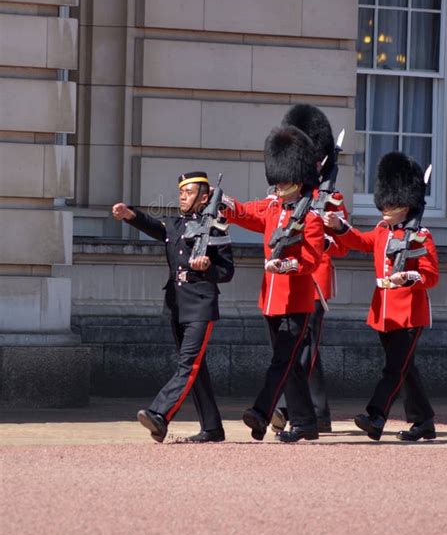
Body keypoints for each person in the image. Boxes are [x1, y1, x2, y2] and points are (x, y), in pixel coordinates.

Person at [112, 172, 234, 443]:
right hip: (177, 304)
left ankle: (159, 413)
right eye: (181, 192)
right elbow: (153, 226)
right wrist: (129, 214)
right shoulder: (176, 224)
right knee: (195, 368)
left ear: (204, 197)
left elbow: (227, 271)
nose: (182, 196)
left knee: (188, 364)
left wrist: (208, 268)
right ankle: (212, 428)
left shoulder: (217, 227)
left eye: (189, 192)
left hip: (201, 304)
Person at [324, 152, 438, 442]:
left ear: (405, 204)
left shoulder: (420, 236)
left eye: (392, 203)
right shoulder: (382, 231)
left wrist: (409, 277)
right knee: (404, 369)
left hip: (409, 313)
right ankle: (424, 421)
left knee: (393, 369)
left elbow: (431, 275)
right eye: (385, 202)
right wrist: (340, 227)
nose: (385, 207)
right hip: (384, 312)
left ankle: (375, 417)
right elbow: (361, 242)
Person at [222, 126, 325, 443]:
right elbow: (244, 213)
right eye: (277, 180)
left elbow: (311, 259)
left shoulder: (311, 219)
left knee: (282, 361)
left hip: (295, 301)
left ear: (298, 180)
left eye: (284, 180)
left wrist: (286, 266)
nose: (279, 185)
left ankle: (261, 412)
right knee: (290, 365)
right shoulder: (272, 209)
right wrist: (221, 201)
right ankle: (306, 423)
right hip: (271, 300)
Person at [271, 104, 348, 435]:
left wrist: (328, 233)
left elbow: (342, 246)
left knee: (304, 348)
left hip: (315, 280)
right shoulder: (285, 196)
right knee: (298, 347)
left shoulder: (331, 197)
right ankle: (318, 412)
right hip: (288, 279)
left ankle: (287, 406)